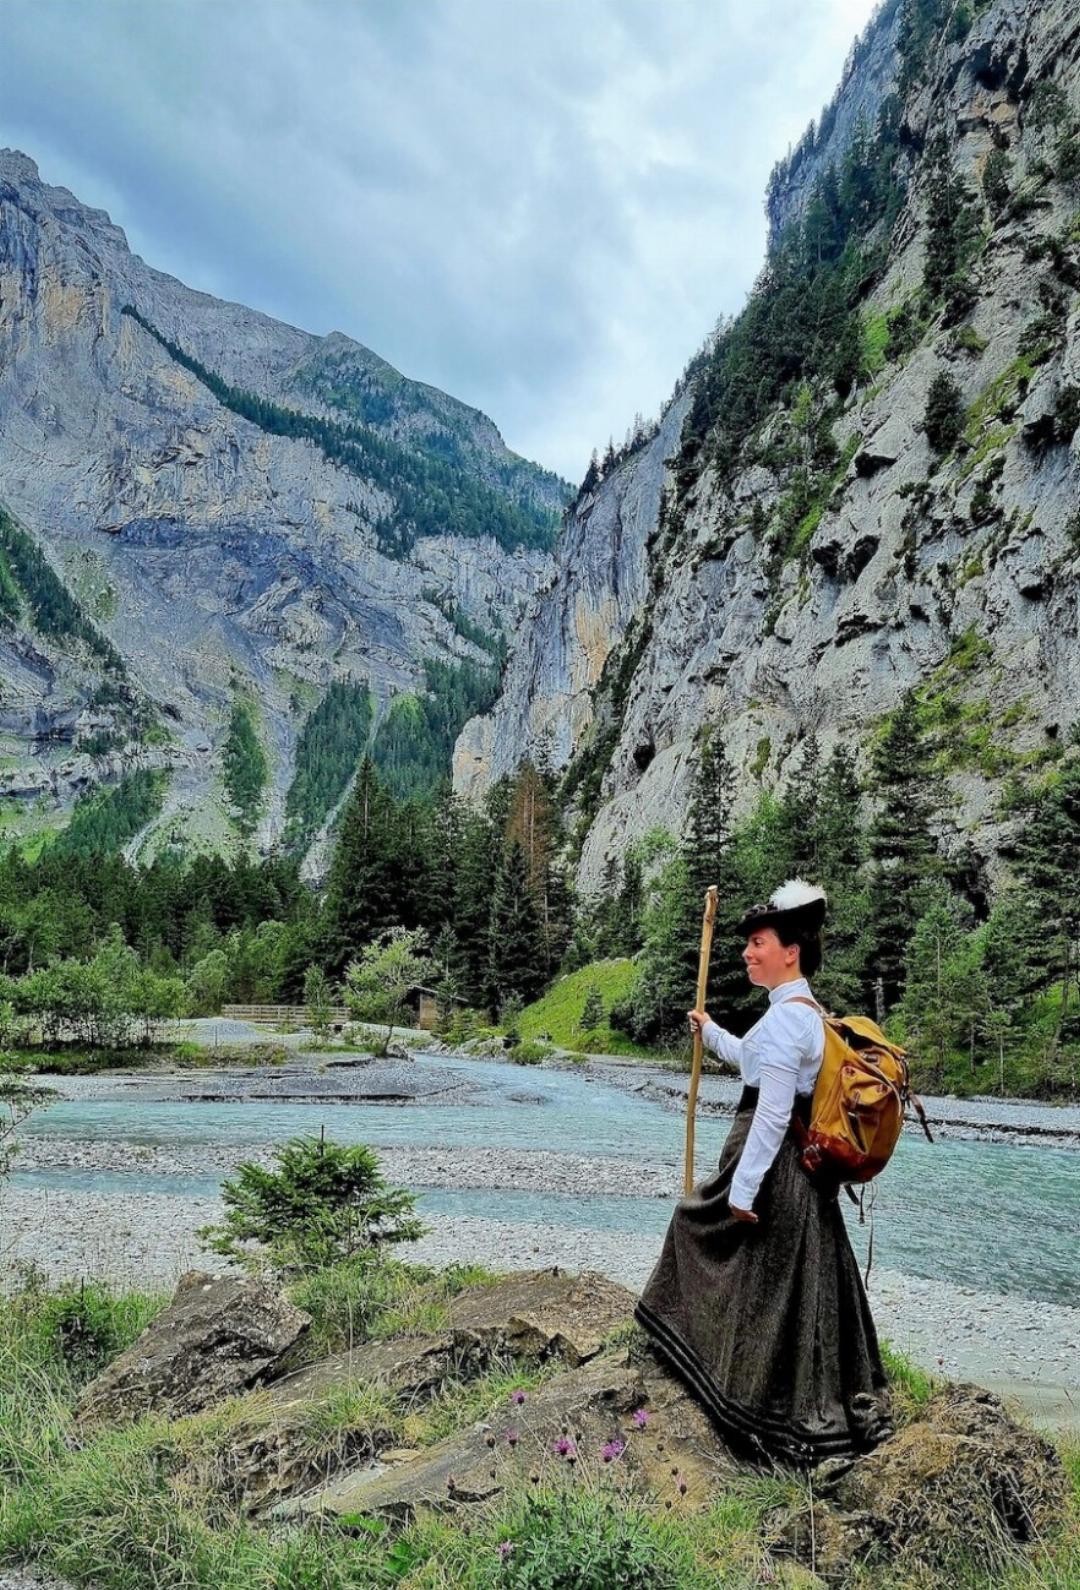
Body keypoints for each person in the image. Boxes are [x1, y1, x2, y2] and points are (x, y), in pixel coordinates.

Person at [633, 877, 893, 1467]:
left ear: (790, 951)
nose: (747, 953)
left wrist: (743, 1190)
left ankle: (743, 1398)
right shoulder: (804, 1014)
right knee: (793, 1287)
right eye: (747, 943)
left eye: (758, 943)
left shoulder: (786, 1022)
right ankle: (792, 1394)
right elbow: (753, 1062)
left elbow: (773, 1112)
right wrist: (711, 1032)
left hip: (772, 1167)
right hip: (801, 1177)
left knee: (693, 1226)